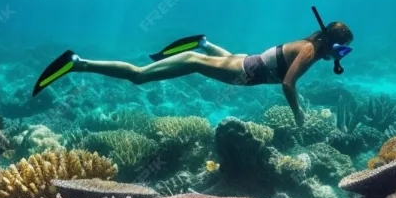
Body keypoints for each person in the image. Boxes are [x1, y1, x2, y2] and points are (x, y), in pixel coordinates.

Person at [32, 20, 354, 127]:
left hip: (245, 63)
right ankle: (78, 62)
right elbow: (287, 82)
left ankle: (203, 42)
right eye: (341, 50)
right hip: (242, 69)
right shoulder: (311, 52)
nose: (339, 57)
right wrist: (298, 113)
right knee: (140, 76)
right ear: (332, 43)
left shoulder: (311, 45)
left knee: (219, 58)